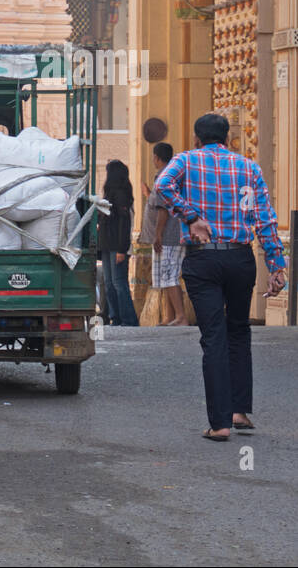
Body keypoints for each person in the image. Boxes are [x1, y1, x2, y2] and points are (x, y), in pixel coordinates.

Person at [155, 113, 287, 442]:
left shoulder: (185, 160)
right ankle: (239, 410)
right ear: (228, 139)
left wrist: (191, 216)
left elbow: (162, 185)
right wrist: (276, 265)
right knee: (239, 331)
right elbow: (265, 220)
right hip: (241, 257)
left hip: (203, 258)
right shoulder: (250, 168)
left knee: (214, 336)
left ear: (197, 139)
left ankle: (220, 424)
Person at [138, 143, 187, 325]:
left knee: (169, 274)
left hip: (169, 236)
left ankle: (181, 316)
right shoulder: (172, 175)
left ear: (157, 158)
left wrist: (158, 235)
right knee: (167, 277)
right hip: (171, 235)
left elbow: (163, 210)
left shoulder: (163, 177)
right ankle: (170, 316)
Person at [98, 160, 139, 326]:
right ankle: (115, 316)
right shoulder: (110, 195)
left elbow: (124, 224)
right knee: (109, 283)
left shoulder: (121, 196)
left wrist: (122, 249)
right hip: (108, 245)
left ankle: (128, 319)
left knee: (118, 282)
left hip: (117, 246)